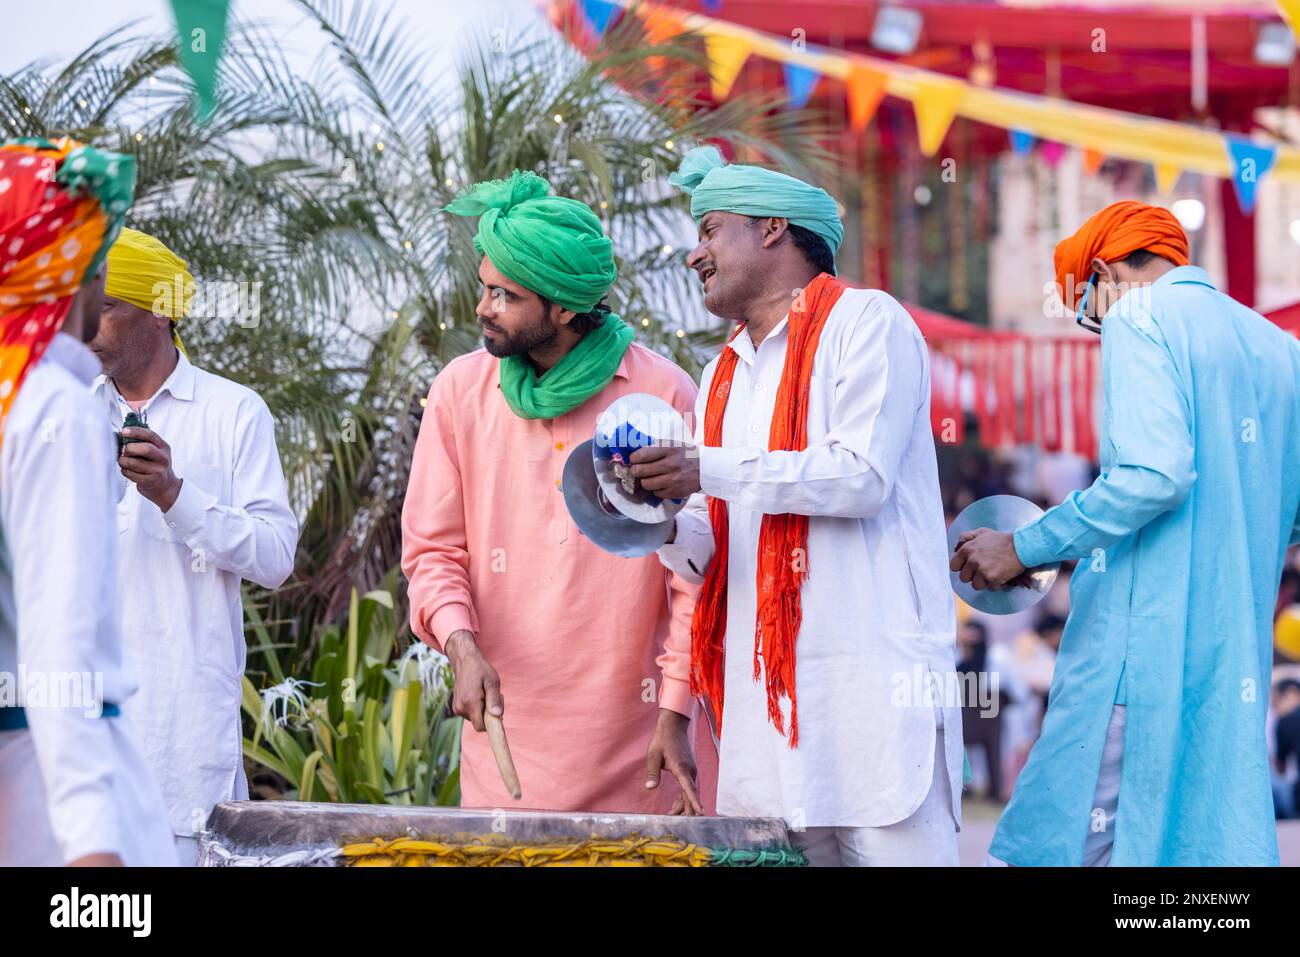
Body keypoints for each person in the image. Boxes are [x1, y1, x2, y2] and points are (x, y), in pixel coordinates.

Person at [632, 146, 963, 866]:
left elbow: (859, 475)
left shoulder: (868, 322)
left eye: (711, 230)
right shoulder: (721, 370)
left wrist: (703, 467)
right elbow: (717, 540)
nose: (696, 255)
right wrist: (650, 515)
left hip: (874, 704)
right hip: (769, 725)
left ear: (773, 227)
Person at [953, 200, 1300, 865]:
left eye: (1090, 307)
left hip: (1136, 653)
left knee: (1048, 847)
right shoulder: (1279, 349)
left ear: (1106, 273)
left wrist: (1024, 544)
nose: (1098, 325)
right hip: (1230, 664)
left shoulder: (1139, 315)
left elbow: (1154, 475)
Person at [401, 170, 713, 814]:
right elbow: (432, 553)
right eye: (483, 288)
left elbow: (695, 573)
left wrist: (676, 710)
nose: (482, 309)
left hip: (643, 747)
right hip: (507, 743)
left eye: (503, 295)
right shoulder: (459, 391)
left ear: (565, 308)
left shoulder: (663, 393)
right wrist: (460, 645)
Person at [92, 227, 298, 865]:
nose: (82, 327)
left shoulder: (235, 412)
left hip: (180, 761)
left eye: (102, 308)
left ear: (156, 310)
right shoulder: (62, 409)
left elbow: (275, 557)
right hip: (72, 753)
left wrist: (177, 495)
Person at [0, 137, 176, 865]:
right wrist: (93, 849)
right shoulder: (53, 407)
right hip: (64, 803)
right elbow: (59, 650)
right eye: (97, 256)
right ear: (71, 271)